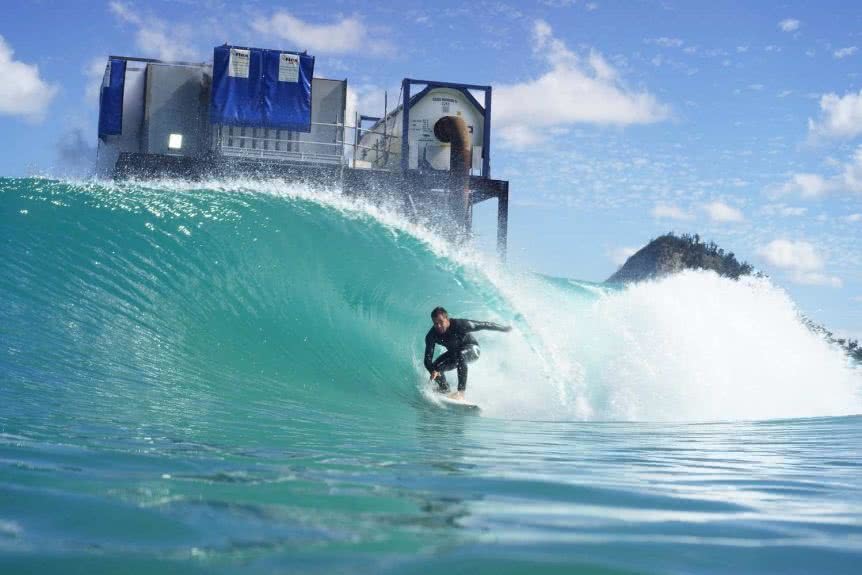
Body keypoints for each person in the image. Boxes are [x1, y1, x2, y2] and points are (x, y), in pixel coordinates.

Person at [424, 306, 511, 400]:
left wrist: (505, 329)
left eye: (441, 322)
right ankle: (444, 389)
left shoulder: (461, 325)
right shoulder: (431, 335)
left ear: (447, 318)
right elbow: (427, 360)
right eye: (436, 323)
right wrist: (433, 370)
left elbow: (486, 324)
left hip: (472, 349)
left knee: (460, 355)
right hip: (454, 354)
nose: (439, 326)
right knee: (436, 366)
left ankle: (461, 393)